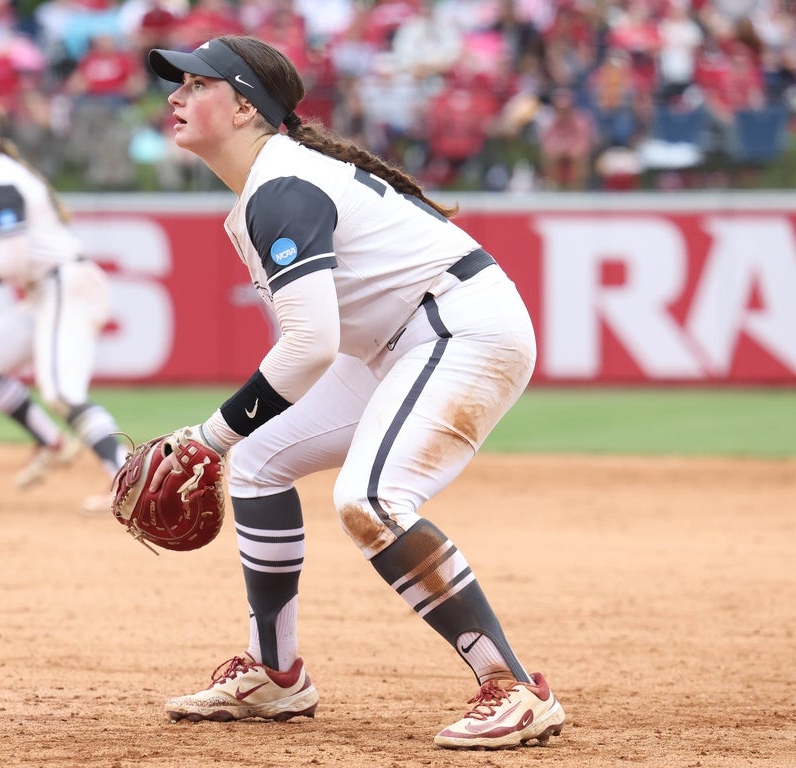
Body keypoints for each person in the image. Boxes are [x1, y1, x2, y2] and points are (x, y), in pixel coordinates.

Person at [143, 35, 565, 749]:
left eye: (196, 84)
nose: (176, 97)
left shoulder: (282, 188)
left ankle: (513, 687)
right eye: (177, 84)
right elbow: (321, 343)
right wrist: (226, 444)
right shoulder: (269, 186)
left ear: (245, 106)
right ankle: (276, 676)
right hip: (399, 341)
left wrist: (205, 436)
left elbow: (310, 346)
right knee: (257, 463)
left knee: (368, 500)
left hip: (457, 327)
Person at [0, 101, 127, 512]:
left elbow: (11, 263)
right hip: (47, 290)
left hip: (65, 284)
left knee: (61, 391)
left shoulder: (1, 184)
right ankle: (51, 440)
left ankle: (129, 483)